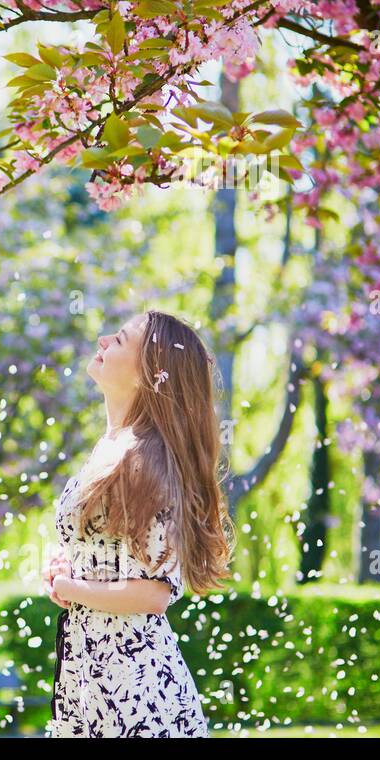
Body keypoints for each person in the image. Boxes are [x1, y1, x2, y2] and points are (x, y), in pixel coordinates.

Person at [43, 309, 234, 737]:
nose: (103, 338)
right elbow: (111, 550)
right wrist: (63, 566)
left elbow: (152, 592)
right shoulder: (114, 446)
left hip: (133, 687)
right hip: (91, 675)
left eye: (121, 339)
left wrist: (72, 589)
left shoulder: (146, 459)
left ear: (151, 373)